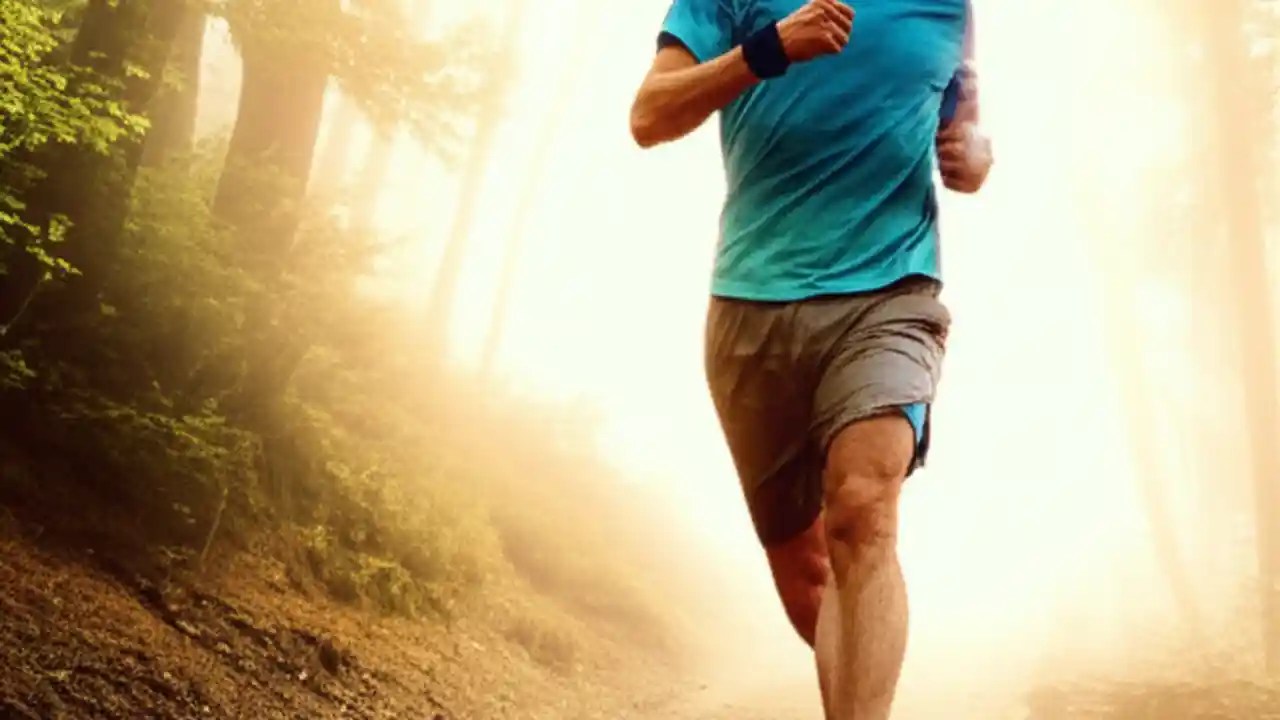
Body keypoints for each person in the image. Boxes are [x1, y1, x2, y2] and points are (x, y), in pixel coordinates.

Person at [628, 0, 991, 717]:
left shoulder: (949, 6)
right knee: (812, 581)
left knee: (863, 511)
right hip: (751, 306)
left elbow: (962, 118)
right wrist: (765, 51)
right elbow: (649, 116)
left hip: (891, 294)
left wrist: (975, 156)